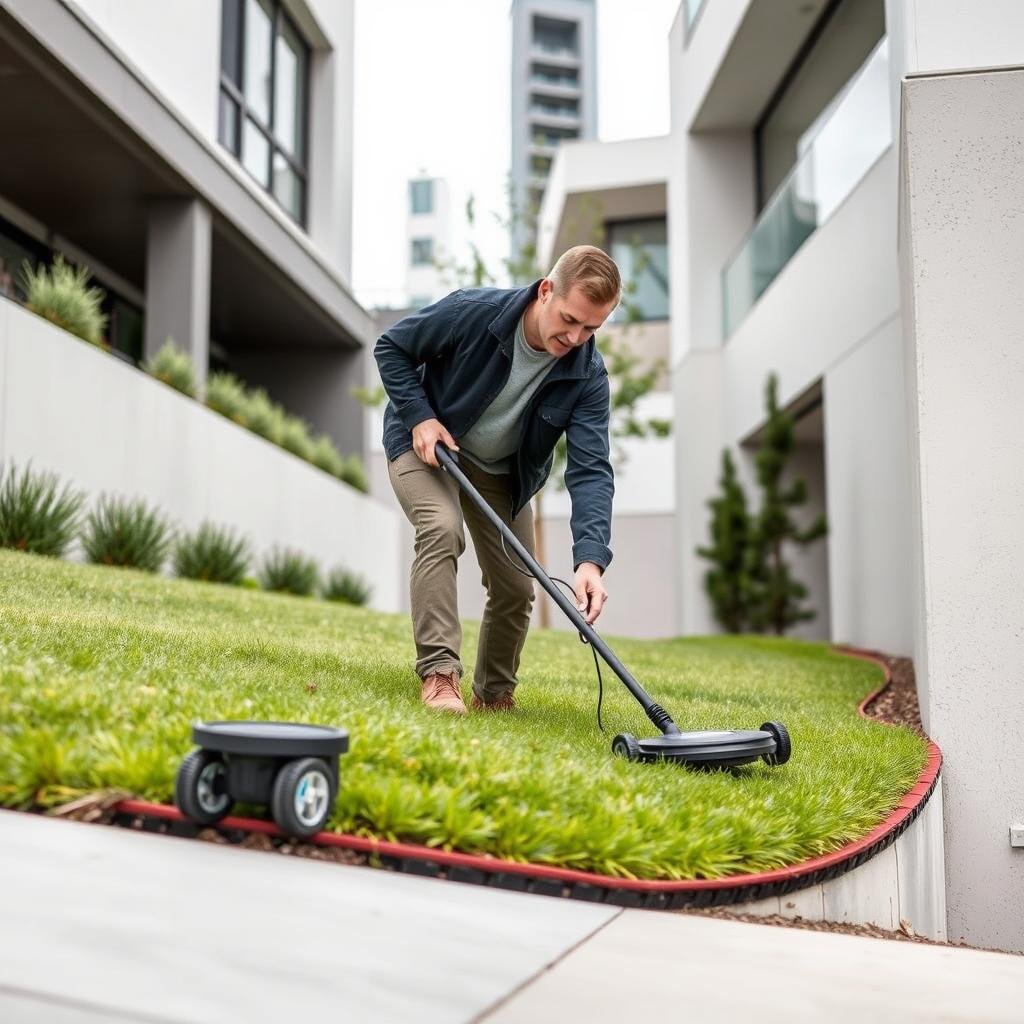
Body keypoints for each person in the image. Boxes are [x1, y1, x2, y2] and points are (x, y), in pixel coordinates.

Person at [374, 244, 620, 714]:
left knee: (516, 586)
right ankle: (440, 675)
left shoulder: (588, 375)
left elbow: (591, 470)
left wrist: (590, 560)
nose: (576, 337)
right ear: (546, 290)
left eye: (592, 327)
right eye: (570, 319)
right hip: (429, 442)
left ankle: (493, 695)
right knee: (442, 528)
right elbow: (392, 347)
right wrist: (419, 416)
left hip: (499, 470)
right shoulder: (474, 312)